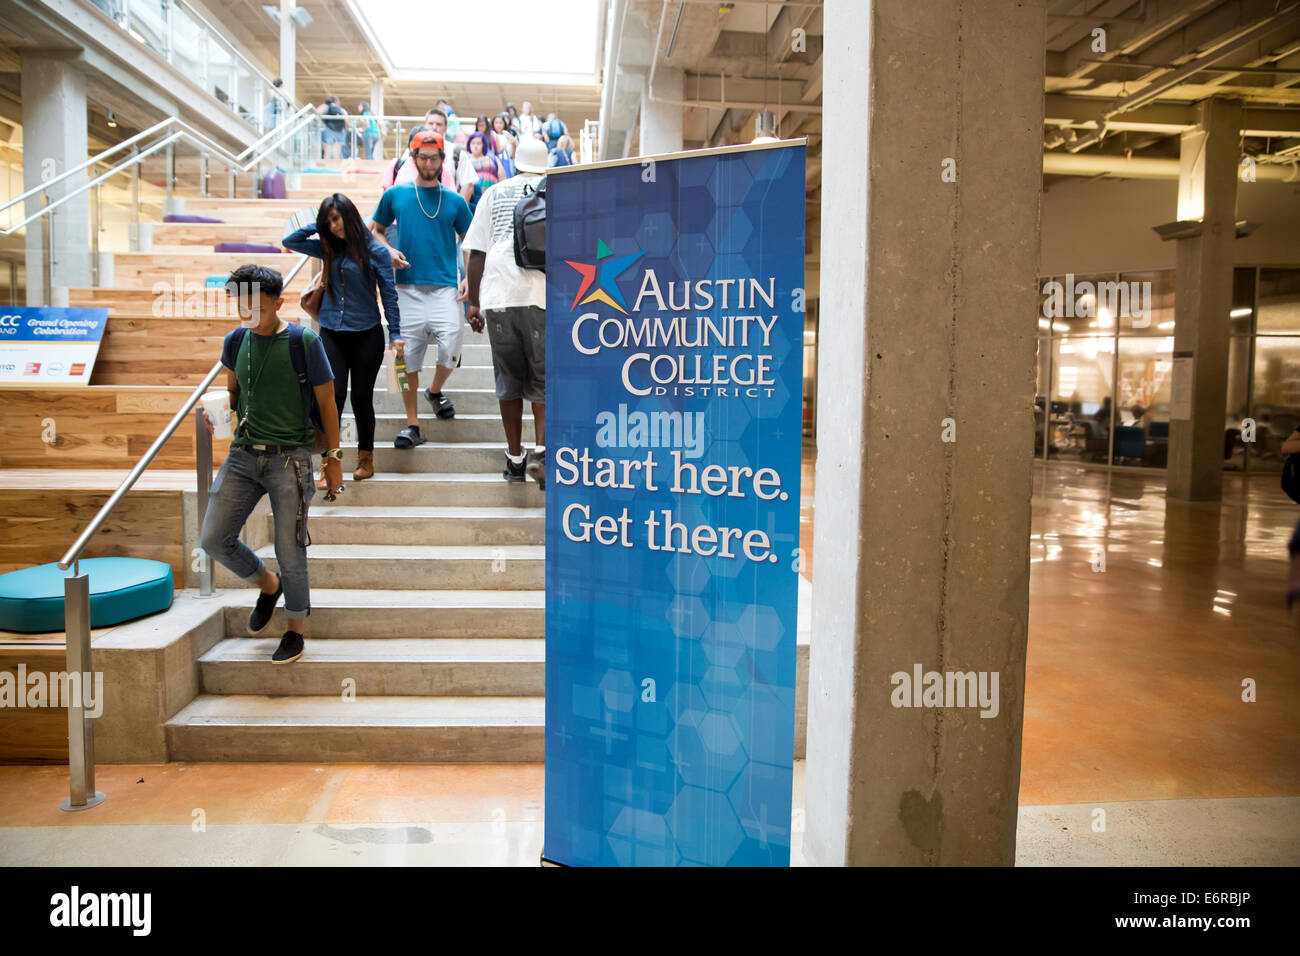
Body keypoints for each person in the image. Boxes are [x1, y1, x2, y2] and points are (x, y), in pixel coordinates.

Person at [200, 264, 340, 664]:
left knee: (290, 547)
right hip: (243, 455)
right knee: (212, 539)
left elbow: (328, 403)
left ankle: (294, 628)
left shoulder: (304, 342)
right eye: (240, 307)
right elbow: (233, 391)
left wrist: (333, 458)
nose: (248, 316)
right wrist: (220, 415)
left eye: (256, 308)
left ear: (278, 303)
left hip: (290, 460)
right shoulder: (235, 341)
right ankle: (268, 584)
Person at [284, 193, 402, 484]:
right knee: (331, 399)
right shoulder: (328, 248)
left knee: (362, 399)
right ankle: (330, 464)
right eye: (329, 222)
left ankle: (365, 459)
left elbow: (389, 294)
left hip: (366, 335)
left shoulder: (375, 250)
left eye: (337, 219)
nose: (334, 227)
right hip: (333, 334)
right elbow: (291, 242)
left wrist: (396, 333)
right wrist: (318, 225)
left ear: (350, 215)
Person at [370, 130, 473, 446]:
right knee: (399, 360)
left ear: (443, 161)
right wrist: (387, 250)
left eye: (434, 157)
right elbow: (375, 231)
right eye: (423, 157)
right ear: (414, 159)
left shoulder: (455, 201)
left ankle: (435, 390)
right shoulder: (396, 195)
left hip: (444, 286)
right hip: (405, 289)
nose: (429, 162)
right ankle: (412, 424)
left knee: (453, 343)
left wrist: (469, 276)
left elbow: (470, 241)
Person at [463, 137, 549, 487]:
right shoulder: (558, 190)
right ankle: (542, 457)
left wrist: (472, 304)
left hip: (499, 294)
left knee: (508, 380)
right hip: (543, 295)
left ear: (514, 162)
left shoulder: (493, 193)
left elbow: (477, 251)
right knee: (545, 380)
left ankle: (515, 460)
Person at [465, 131, 502, 212]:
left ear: (483, 145)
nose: (475, 146)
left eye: (478, 143)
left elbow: (503, 179)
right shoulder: (466, 161)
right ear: (469, 145)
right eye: (473, 143)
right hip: (473, 202)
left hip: (492, 199)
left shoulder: (493, 159)